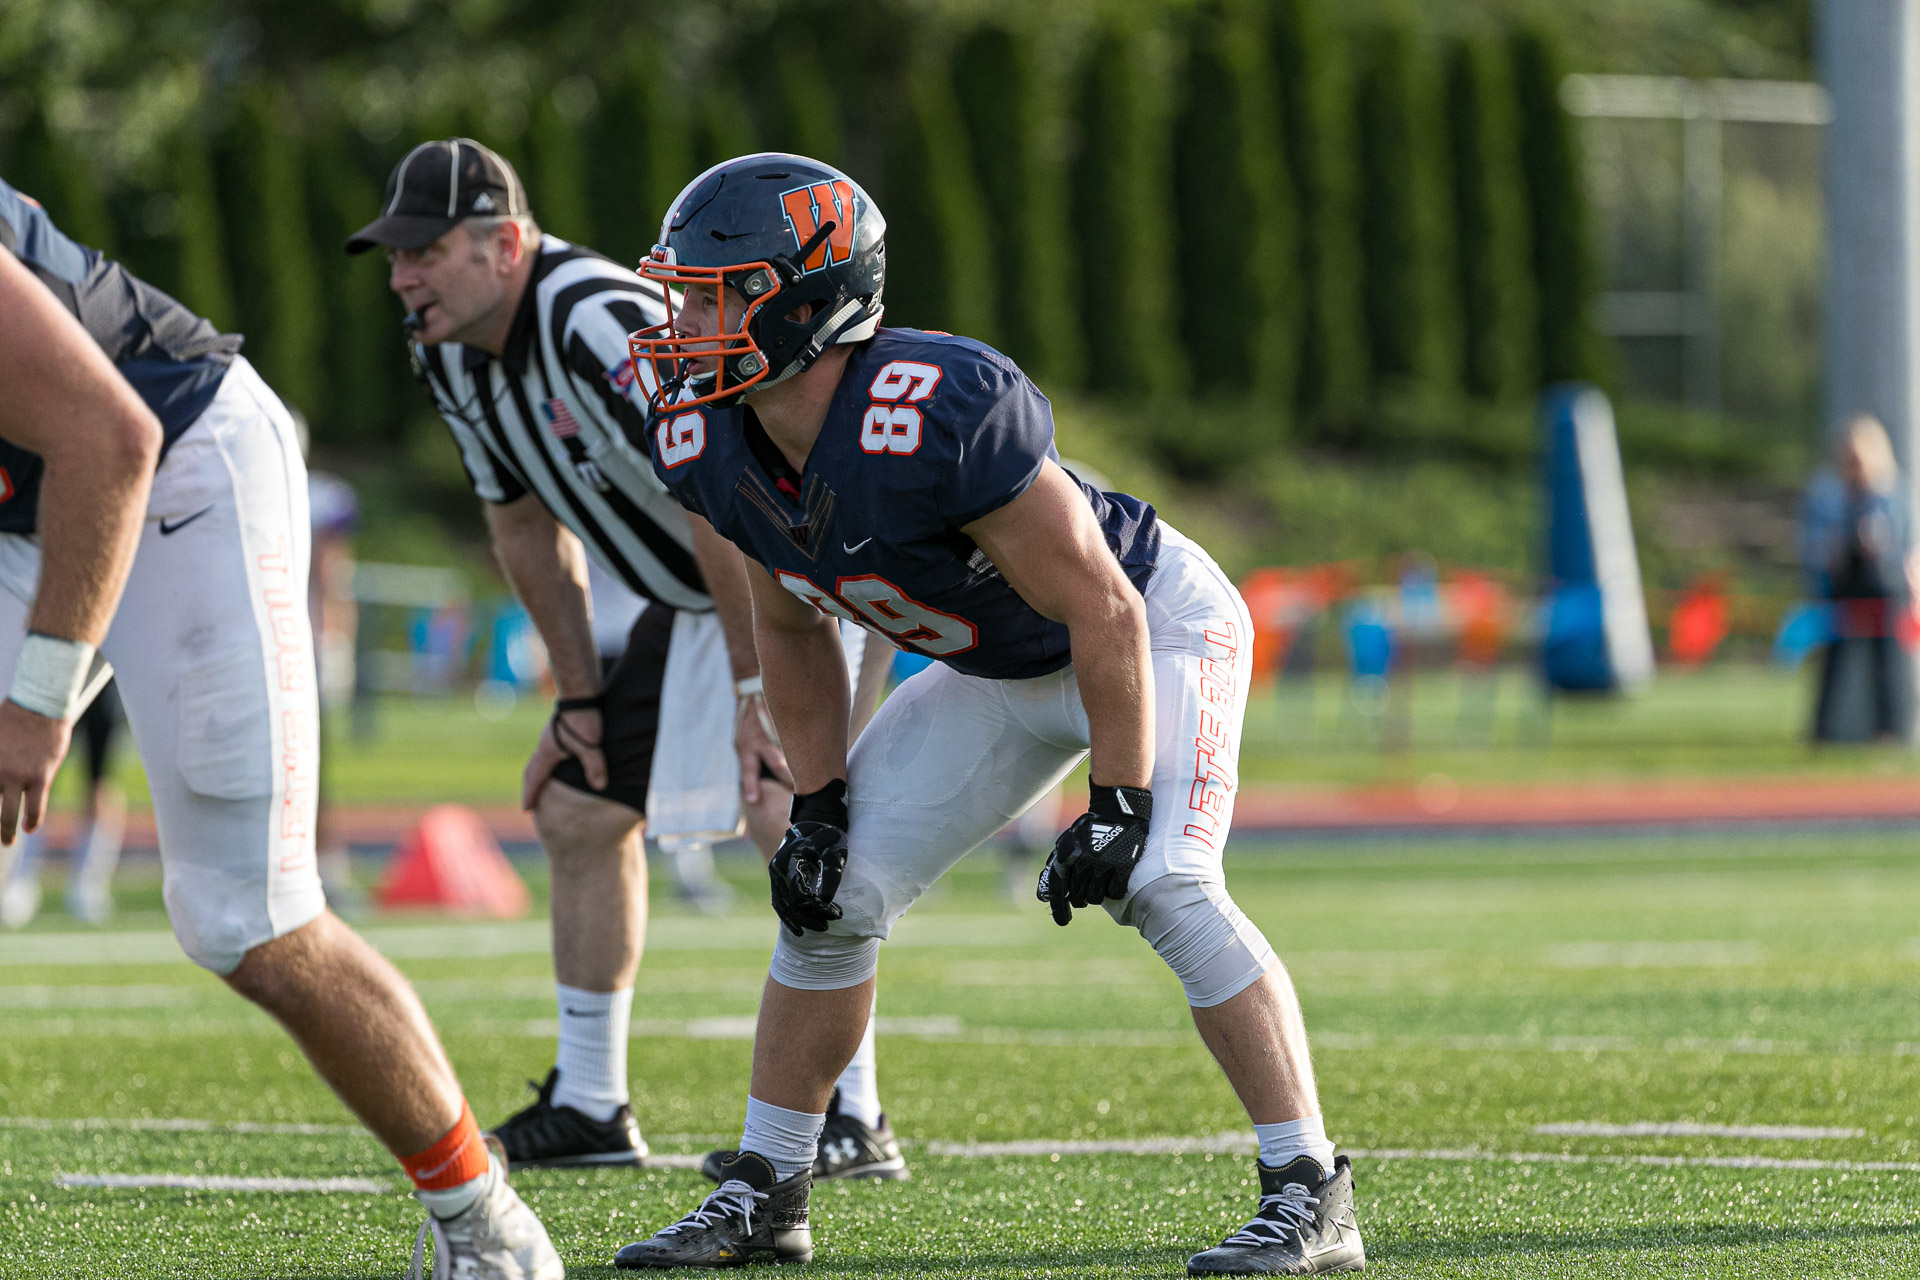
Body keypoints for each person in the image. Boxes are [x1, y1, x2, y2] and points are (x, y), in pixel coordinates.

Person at [614, 153, 1364, 1275]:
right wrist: (816, 801)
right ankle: (771, 1185)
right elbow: (797, 625)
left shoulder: (933, 407)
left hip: (1149, 628)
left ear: (810, 301)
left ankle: (1312, 1190)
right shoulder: (709, 435)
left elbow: (1103, 602)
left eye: (717, 295)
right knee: (830, 896)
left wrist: (1116, 797)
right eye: (684, 294)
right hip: (993, 663)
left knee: (1163, 876)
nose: (685, 322)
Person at [0, 178, 559, 1278]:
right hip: (31, 495)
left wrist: (38, 699)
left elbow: (108, 437)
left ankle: (482, 1219)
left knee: (244, 914)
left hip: (173, 466)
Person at [348, 138, 906, 1181]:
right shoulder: (450, 347)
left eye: (425, 250)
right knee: (579, 798)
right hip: (689, 589)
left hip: (781, 557)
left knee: (788, 799)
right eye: (395, 253)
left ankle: (850, 1110)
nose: (402, 273)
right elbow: (522, 525)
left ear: (504, 244)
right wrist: (580, 697)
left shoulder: (592, 317)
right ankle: (593, 1100)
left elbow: (717, 489)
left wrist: (755, 688)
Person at [1802, 414, 1916, 741]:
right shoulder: (1827, 492)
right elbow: (1810, 540)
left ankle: (1889, 729)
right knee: (1834, 662)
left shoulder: (1893, 492)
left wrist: (1880, 546)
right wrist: (1830, 550)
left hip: (1882, 586)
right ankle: (1822, 731)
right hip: (1843, 585)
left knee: (1887, 662)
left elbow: (1906, 544)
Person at [0, 675, 125, 927]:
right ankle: (20, 876)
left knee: (98, 780)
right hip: (58, 673)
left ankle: (88, 882)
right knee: (37, 777)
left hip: (101, 674)